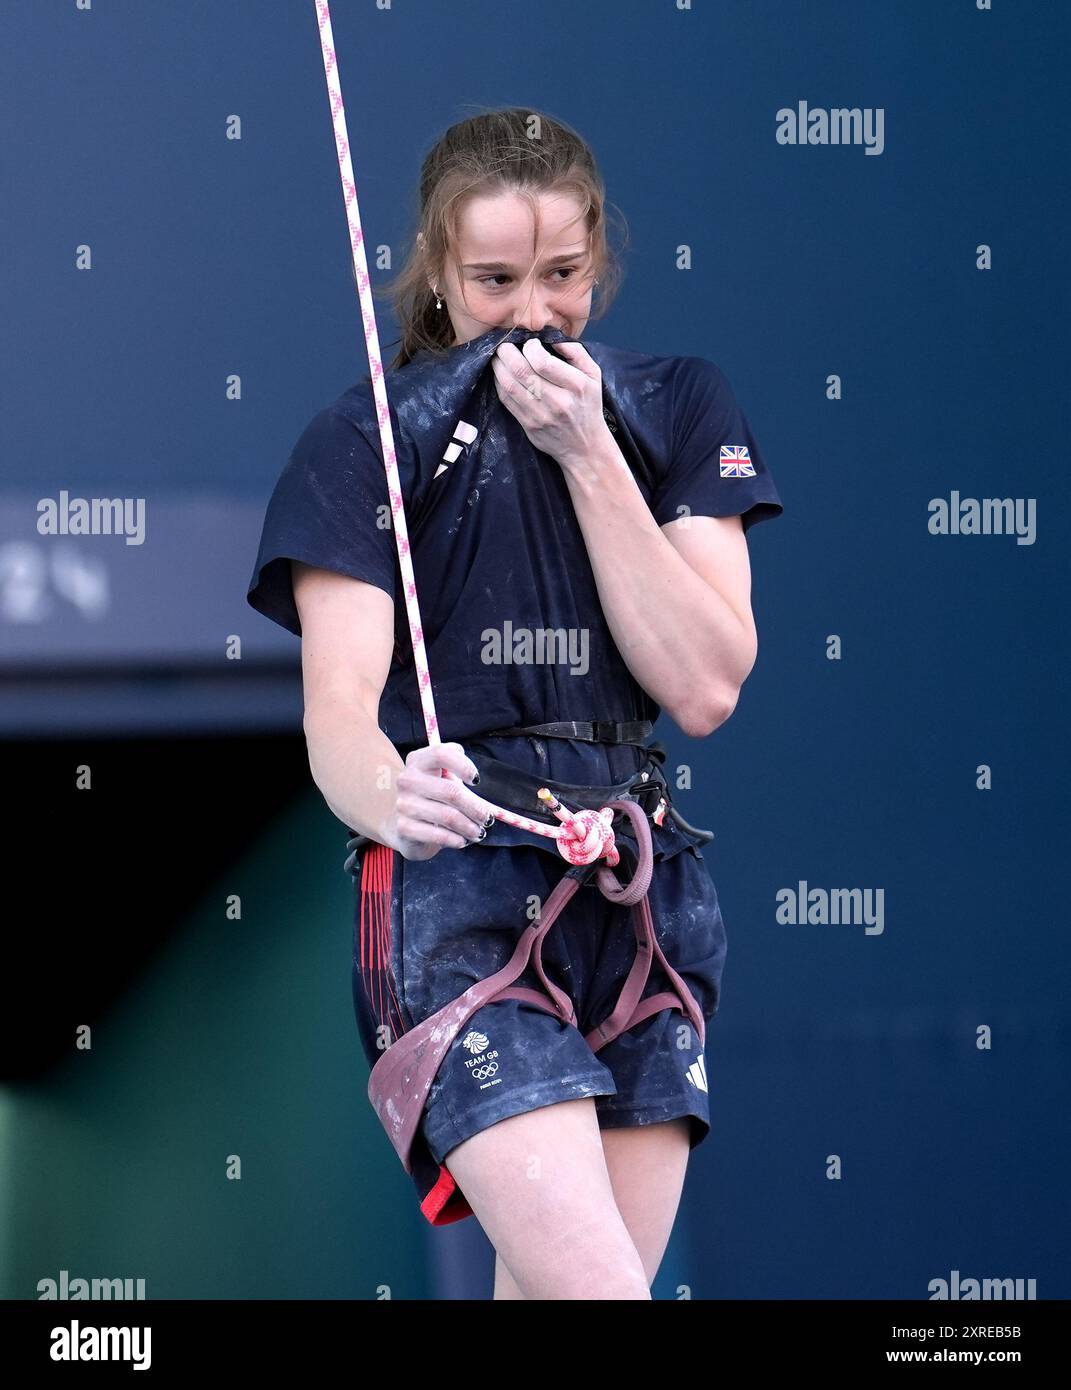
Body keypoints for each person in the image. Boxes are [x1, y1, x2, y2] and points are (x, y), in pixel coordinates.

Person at [247, 107, 783, 1300]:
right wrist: (396, 794)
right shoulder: (365, 438)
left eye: (562, 277)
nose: (532, 314)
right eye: (494, 281)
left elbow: (704, 682)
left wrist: (590, 452)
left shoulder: (679, 404)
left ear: (603, 263)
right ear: (436, 273)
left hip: (643, 896)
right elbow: (337, 720)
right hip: (461, 894)